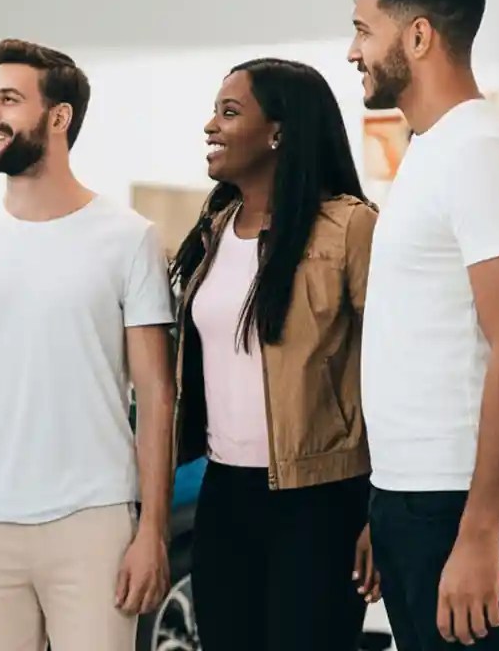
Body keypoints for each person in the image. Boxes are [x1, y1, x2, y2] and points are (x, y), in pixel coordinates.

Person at [0, 38, 176, 651]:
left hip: (94, 523)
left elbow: (158, 396)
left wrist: (152, 530)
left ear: (59, 117)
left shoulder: (128, 239)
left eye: (9, 98)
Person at [347, 0, 499, 649]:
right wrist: (388, 502)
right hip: (420, 499)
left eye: (363, 30)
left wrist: (478, 533)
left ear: (419, 35)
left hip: (460, 509)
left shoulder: (481, 152)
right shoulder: (434, 150)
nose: (354, 52)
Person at [166, 58, 380, 650]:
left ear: (278, 131)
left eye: (229, 112)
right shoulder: (214, 229)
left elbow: (391, 372)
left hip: (321, 502)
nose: (211, 126)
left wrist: (378, 512)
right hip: (224, 495)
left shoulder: (348, 229)